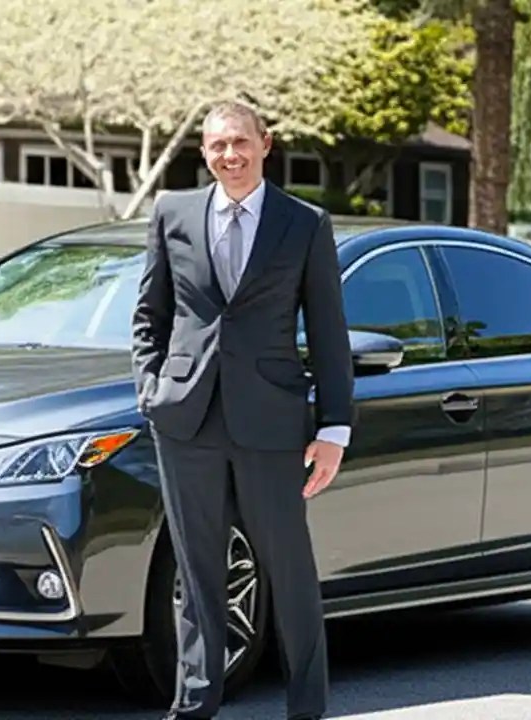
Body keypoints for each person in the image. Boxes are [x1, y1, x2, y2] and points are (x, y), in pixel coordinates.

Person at [130, 100, 355, 720]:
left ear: (266, 144)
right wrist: (152, 391)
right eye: (217, 146)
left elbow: (329, 331)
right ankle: (195, 704)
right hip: (186, 421)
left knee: (290, 573)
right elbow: (151, 314)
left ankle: (307, 707)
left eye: (239, 143)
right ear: (203, 152)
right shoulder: (172, 212)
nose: (228, 155)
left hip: (271, 425)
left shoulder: (304, 222)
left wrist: (334, 426)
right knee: (196, 574)